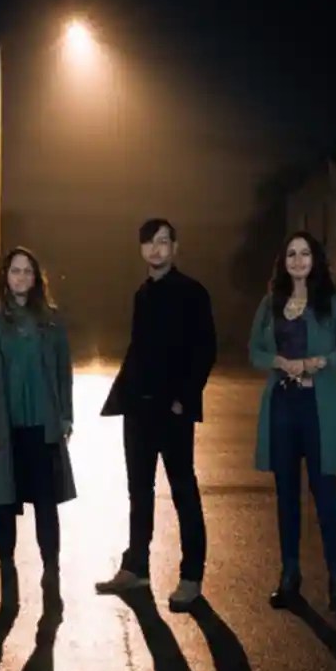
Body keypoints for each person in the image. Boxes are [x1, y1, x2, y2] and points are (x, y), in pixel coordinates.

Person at [97, 217, 217, 612]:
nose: (157, 249)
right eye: (150, 243)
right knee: (139, 492)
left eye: (164, 241)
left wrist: (183, 399)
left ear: (175, 247)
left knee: (183, 490)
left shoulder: (192, 292)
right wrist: (124, 397)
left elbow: (205, 351)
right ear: (142, 250)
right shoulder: (141, 295)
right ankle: (136, 568)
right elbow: (140, 349)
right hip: (139, 410)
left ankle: (191, 577)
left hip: (174, 411)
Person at [248, 231, 336, 615]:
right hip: (283, 404)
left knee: (325, 495)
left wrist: (318, 361)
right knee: (286, 495)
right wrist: (279, 361)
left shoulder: (332, 302)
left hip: (318, 405)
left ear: (316, 259)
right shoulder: (271, 303)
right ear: (284, 261)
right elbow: (255, 350)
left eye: (305, 253)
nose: (298, 260)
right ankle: (289, 576)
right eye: (291, 253)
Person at [0, 247, 78, 608]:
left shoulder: (51, 321)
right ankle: (6, 567)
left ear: (36, 278)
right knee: (4, 503)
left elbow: (64, 372)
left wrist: (65, 416)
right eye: (15, 271)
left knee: (46, 503)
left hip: (41, 426)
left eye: (28, 272)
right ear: (5, 276)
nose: (21, 278)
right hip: (3, 428)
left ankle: (51, 568)